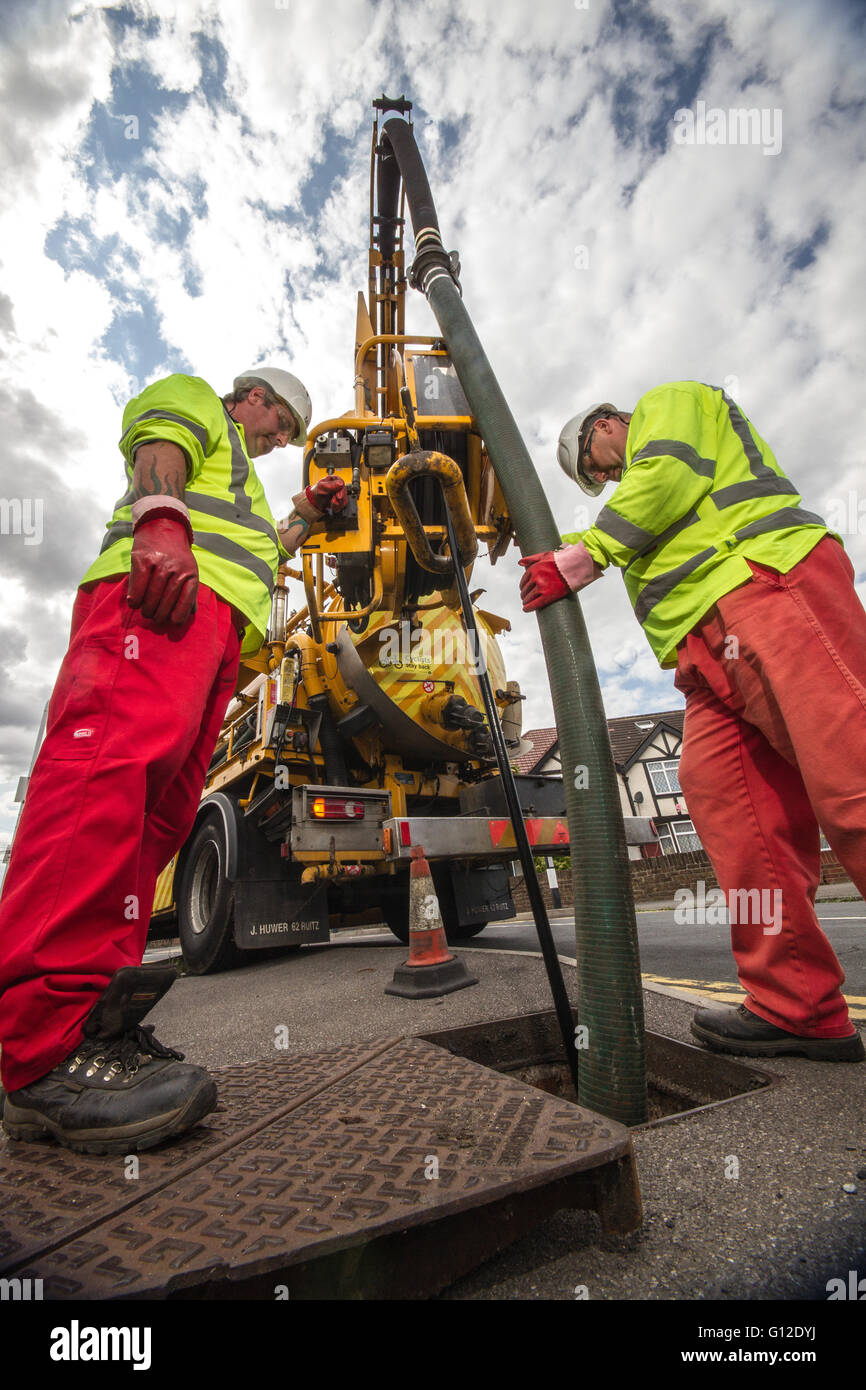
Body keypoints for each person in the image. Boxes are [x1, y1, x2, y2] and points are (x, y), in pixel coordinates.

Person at [0, 367, 347, 1152]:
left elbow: (258, 549)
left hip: (211, 634)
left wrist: (305, 518)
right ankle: (38, 1050)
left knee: (150, 826)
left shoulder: (249, 490)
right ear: (254, 398)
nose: (282, 439)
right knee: (99, 795)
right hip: (158, 602)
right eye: (283, 423)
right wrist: (160, 521)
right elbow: (160, 446)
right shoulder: (200, 403)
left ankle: (92, 1031)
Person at [520, 380, 865, 1063]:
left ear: (607, 421)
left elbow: (667, 476)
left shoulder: (670, 405)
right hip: (705, 656)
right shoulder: (631, 499)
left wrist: (583, 556)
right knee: (731, 808)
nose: (608, 475)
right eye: (596, 477)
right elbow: (643, 513)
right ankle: (798, 1004)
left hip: (765, 584)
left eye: (598, 462)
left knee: (851, 779)